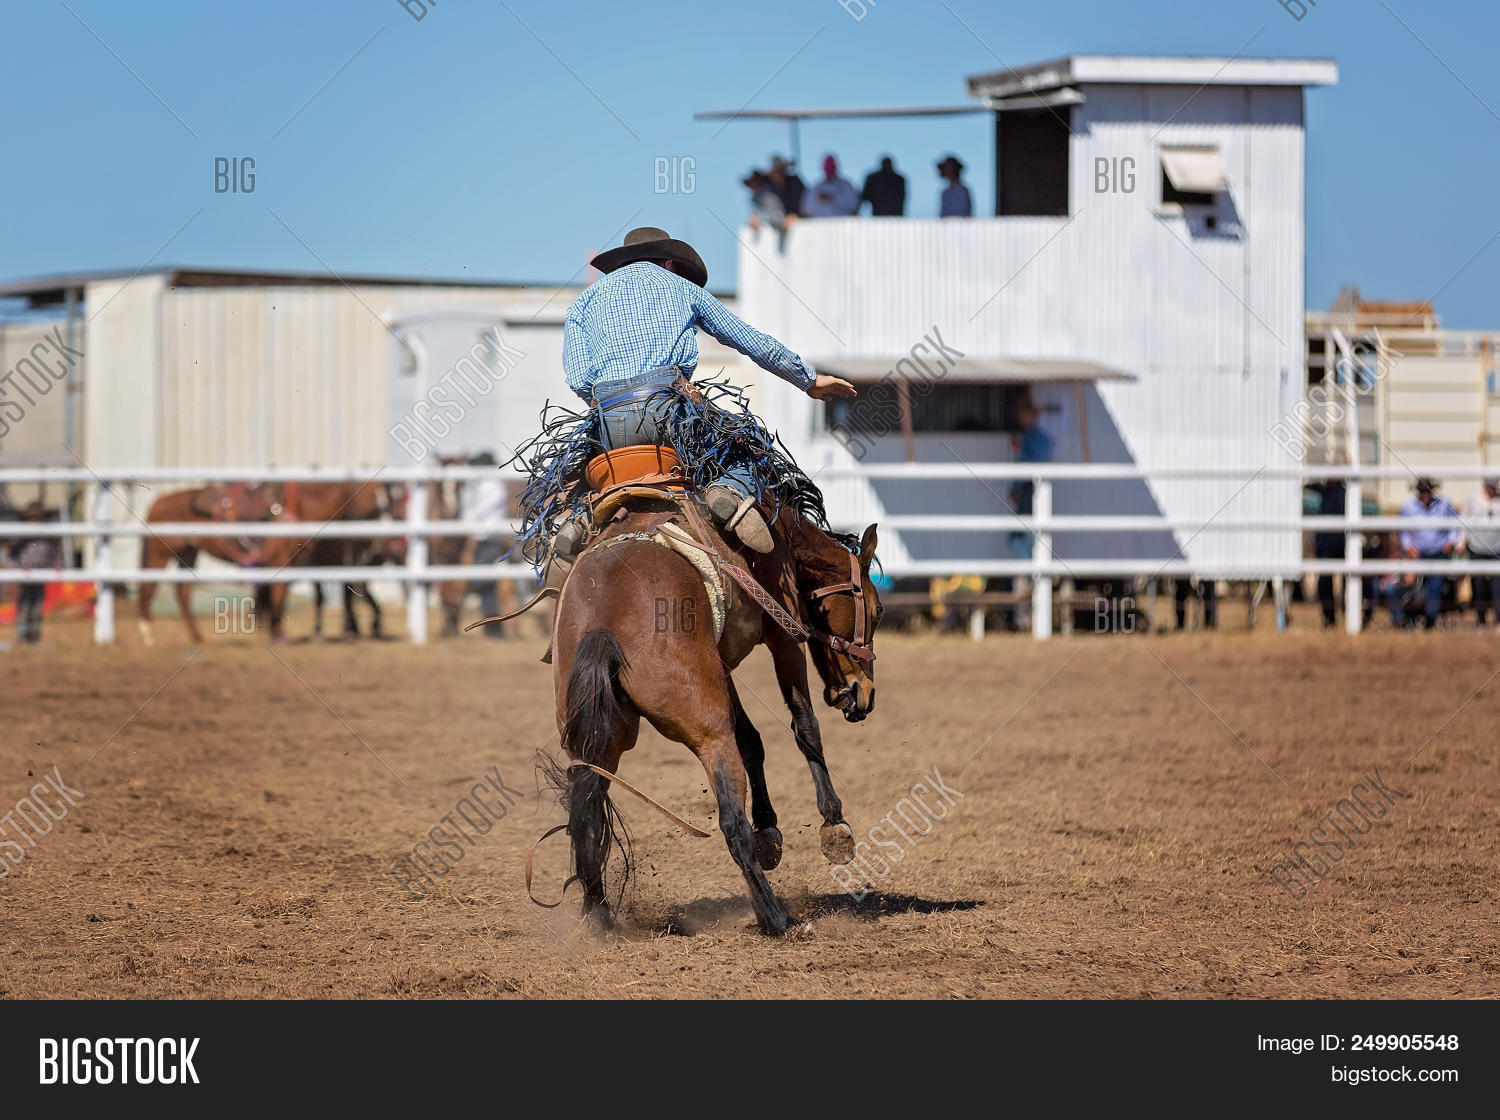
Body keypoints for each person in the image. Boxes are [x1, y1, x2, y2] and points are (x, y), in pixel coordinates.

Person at [552, 227, 856, 559]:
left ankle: (578, 519)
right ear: (668, 263)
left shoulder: (583, 302)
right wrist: (809, 381)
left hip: (608, 423)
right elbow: (749, 340)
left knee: (581, 473)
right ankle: (727, 492)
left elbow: (579, 377)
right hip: (669, 412)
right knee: (750, 444)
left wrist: (613, 403)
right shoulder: (679, 287)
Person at [1385, 477, 1459, 629]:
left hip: (1439, 552)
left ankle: (1430, 621)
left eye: (1428, 491)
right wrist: (1409, 547)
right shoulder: (1409, 506)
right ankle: (1410, 620)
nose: (1425, 494)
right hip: (1417, 555)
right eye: (1422, 491)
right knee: (1415, 588)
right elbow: (1402, 528)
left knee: (1436, 586)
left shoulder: (1444, 504)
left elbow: (1455, 523)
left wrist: (1450, 541)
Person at [1006, 401, 1052, 629]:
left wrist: (1014, 487)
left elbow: (1027, 466)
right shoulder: (1038, 439)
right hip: (1029, 500)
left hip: (1030, 500)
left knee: (1022, 545)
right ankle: (1028, 613)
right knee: (1025, 544)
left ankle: (1028, 611)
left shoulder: (1035, 440)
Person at [462, 452, 511, 638]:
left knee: (484, 582)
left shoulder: (491, 486)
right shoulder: (484, 486)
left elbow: (477, 513)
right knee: (484, 582)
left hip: (489, 539)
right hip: (485, 538)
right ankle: (491, 624)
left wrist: (467, 524)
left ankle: (493, 625)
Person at [9, 501, 60, 645]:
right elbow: (12, 556)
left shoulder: (48, 538)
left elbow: (55, 554)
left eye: (38, 519)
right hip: (25, 578)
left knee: (37, 607)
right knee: (24, 607)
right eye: (32, 519)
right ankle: (22, 635)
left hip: (40, 576)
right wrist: (19, 568)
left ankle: (35, 635)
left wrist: (56, 565)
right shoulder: (21, 537)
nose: (35, 522)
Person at [1461, 476, 1500, 629]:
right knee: (1478, 584)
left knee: (1498, 586)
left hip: (1497, 547)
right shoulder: (1472, 499)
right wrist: (1461, 542)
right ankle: (1481, 620)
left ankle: (1498, 620)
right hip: (1476, 547)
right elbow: (1464, 520)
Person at [767, 156, 804, 221]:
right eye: (777, 172)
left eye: (781, 170)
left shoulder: (795, 182)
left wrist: (794, 216)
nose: (779, 174)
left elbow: (803, 201)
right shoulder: (771, 189)